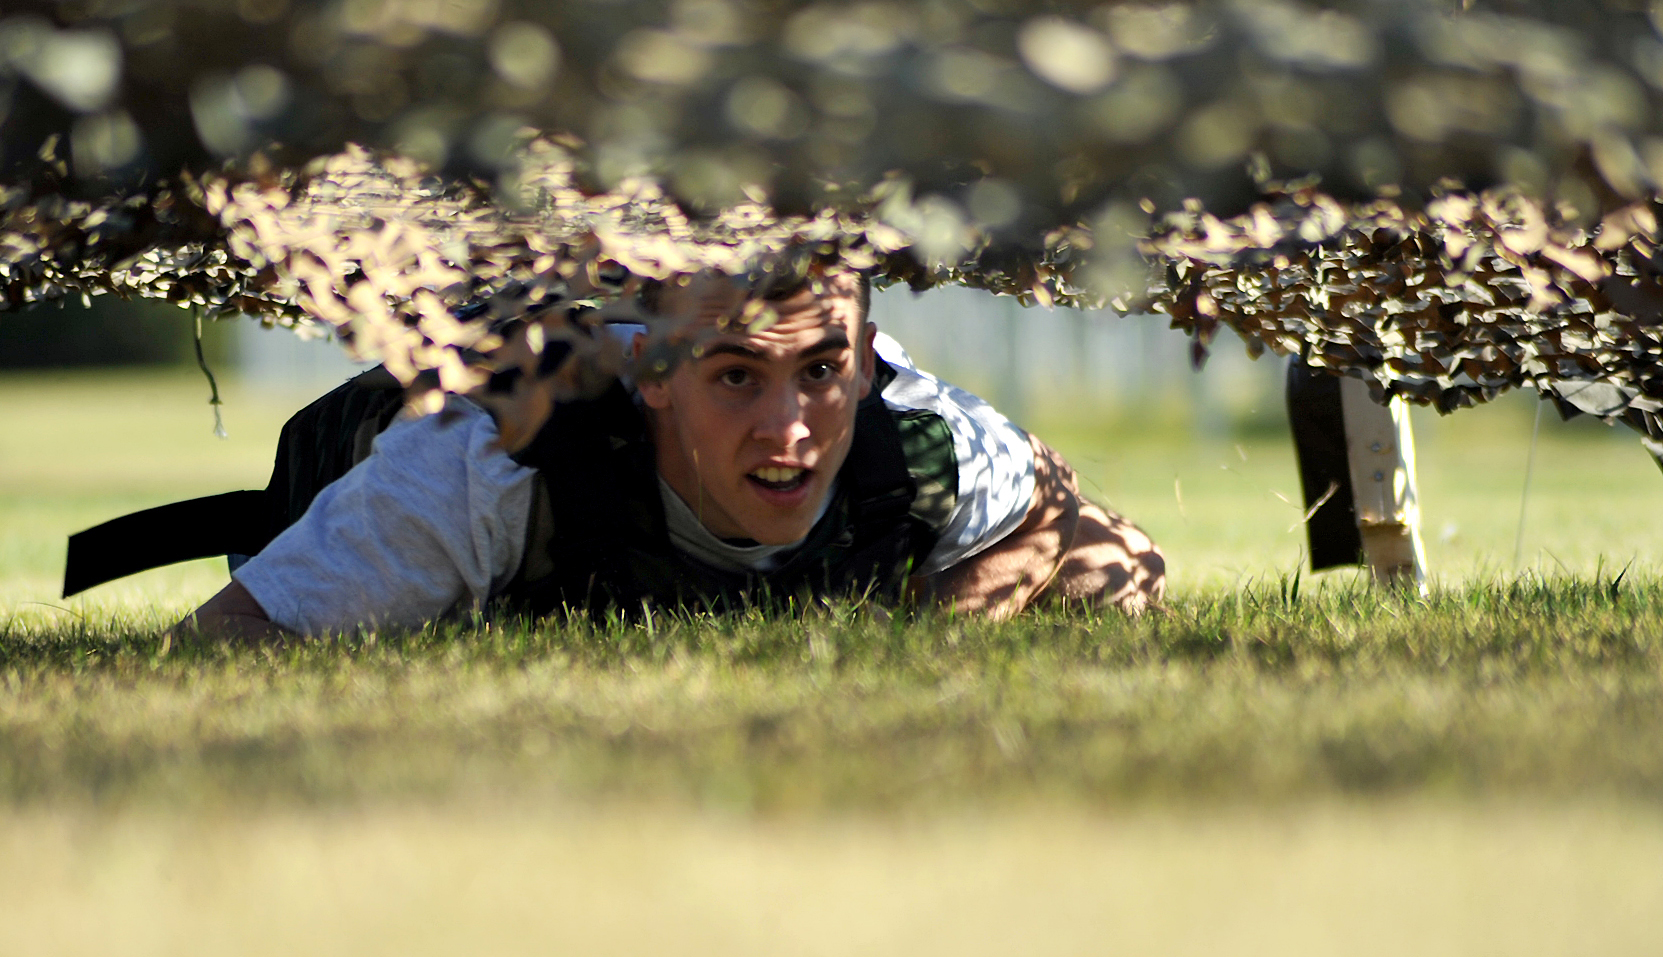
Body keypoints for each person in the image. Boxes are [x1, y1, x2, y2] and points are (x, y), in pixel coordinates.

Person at [179, 266, 1165, 641]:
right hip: (376, 459)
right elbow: (222, 642)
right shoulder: (488, 469)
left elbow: (1081, 522)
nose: (788, 428)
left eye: (820, 371)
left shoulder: (917, 434)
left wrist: (931, 632)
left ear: (866, 365)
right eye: (736, 376)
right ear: (652, 373)